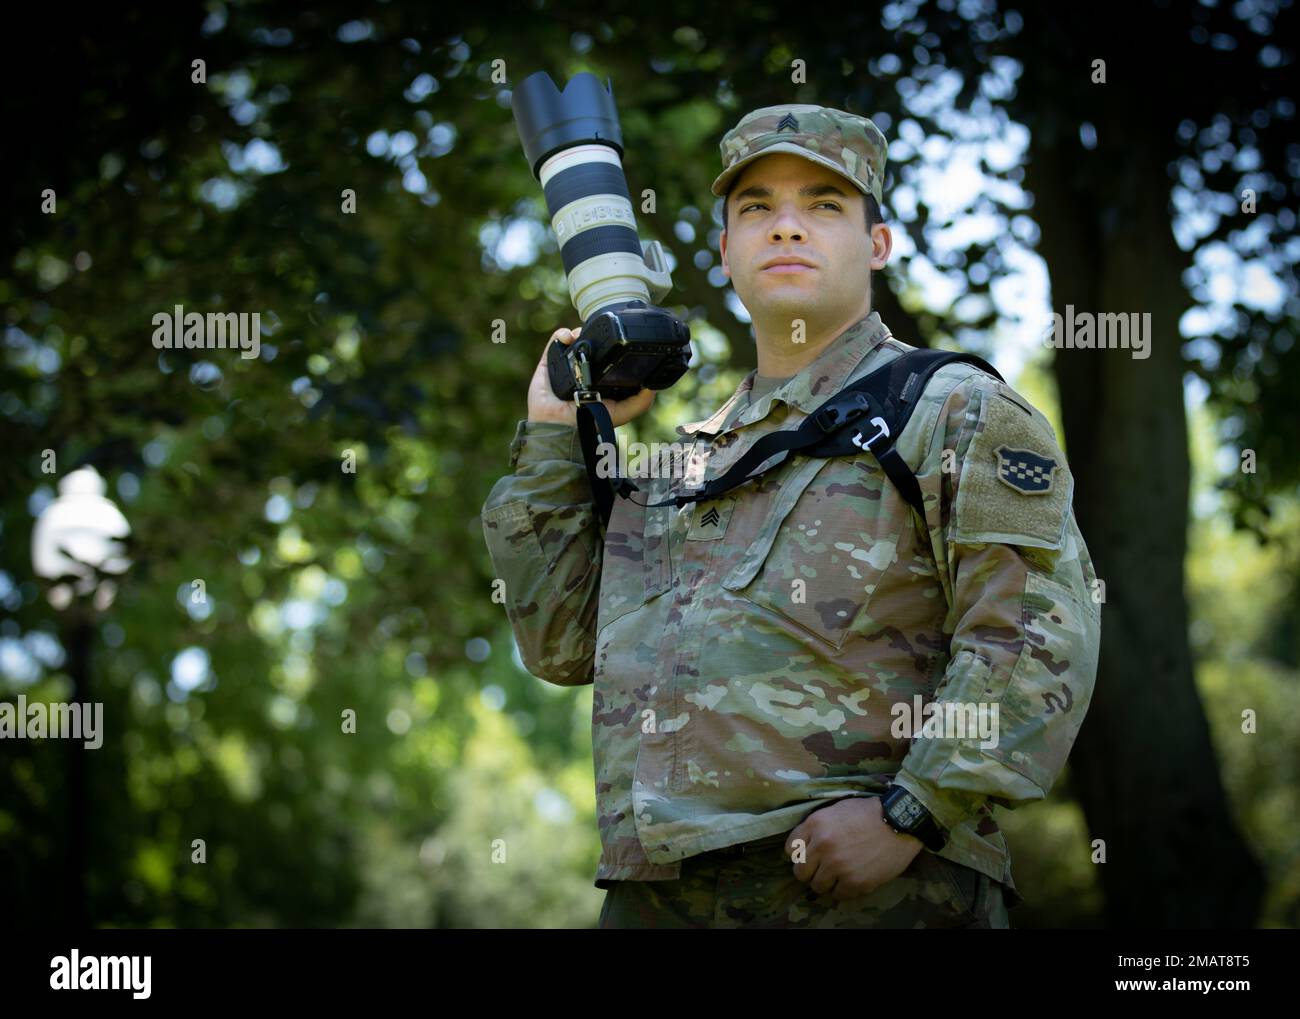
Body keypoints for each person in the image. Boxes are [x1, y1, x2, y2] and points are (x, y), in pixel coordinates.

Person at [480, 104, 1102, 928]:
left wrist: (913, 810)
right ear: (727, 251)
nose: (786, 228)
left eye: (824, 204)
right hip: (657, 895)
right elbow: (561, 642)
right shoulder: (688, 465)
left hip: (871, 893)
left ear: (876, 244)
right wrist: (557, 432)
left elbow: (1031, 636)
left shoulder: (950, 409)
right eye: (756, 210)